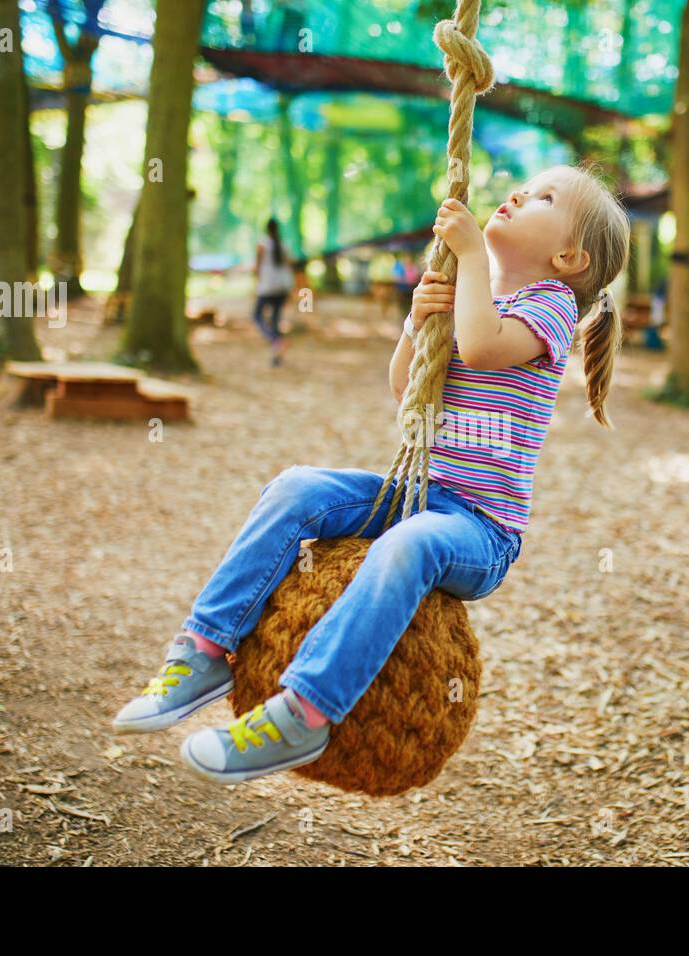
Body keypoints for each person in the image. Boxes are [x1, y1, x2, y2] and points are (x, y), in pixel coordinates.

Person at [112, 165, 631, 785]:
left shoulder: (550, 309)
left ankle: (303, 713)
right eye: (527, 184)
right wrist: (417, 324)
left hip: (480, 530)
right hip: (416, 492)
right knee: (296, 488)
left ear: (569, 256)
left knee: (408, 545)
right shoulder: (477, 300)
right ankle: (203, 651)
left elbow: (486, 346)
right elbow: (404, 390)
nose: (518, 193)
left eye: (545, 197)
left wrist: (466, 258)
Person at [253, 217, 295, 366]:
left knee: (257, 316)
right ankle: (276, 358)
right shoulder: (283, 245)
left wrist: (256, 281)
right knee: (275, 320)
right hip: (282, 286)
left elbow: (257, 267)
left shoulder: (263, 244)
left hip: (267, 286)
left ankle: (275, 340)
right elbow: (289, 266)